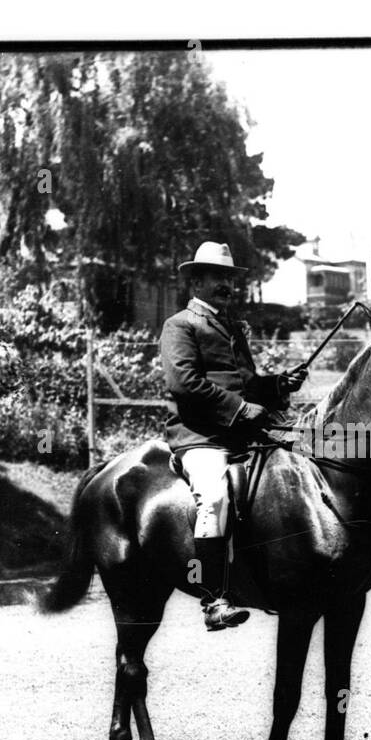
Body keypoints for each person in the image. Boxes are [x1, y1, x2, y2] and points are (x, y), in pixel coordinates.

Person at [159, 241, 308, 630]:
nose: (227, 284)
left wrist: (277, 385)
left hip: (242, 433)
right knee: (215, 497)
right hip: (199, 435)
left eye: (229, 277)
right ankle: (214, 601)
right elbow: (185, 384)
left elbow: (247, 384)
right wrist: (241, 409)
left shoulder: (231, 327)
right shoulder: (179, 325)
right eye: (218, 277)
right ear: (196, 281)